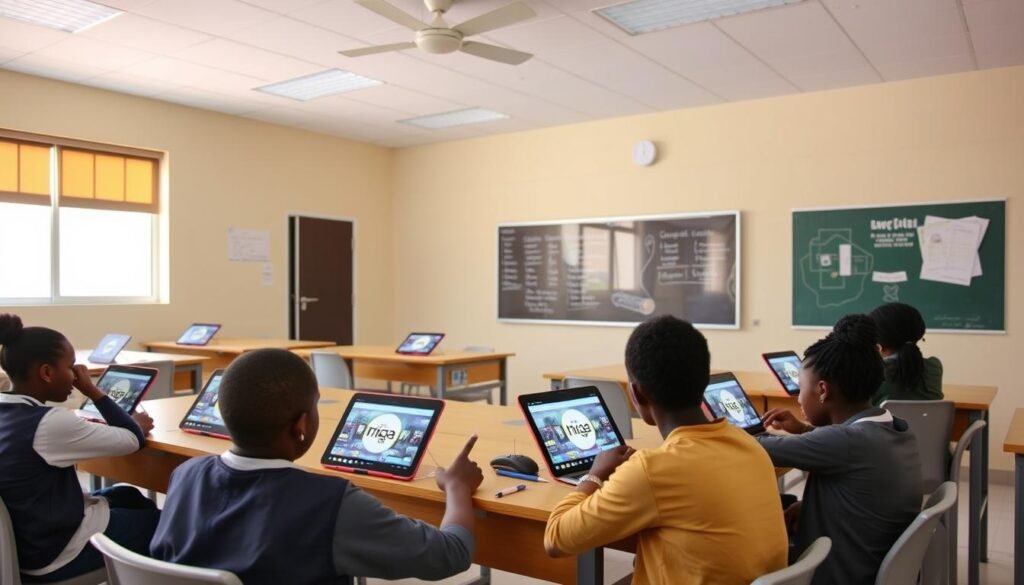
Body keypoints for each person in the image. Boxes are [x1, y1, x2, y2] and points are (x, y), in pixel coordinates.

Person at [151, 348, 483, 584]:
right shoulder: (330, 503)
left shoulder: (185, 475)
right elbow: (451, 555)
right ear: (302, 425)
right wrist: (456, 487)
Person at [544, 315, 787, 584]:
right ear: (704, 381)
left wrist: (594, 474)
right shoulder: (748, 443)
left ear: (637, 394)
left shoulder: (652, 471)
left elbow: (556, 539)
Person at [759, 314, 923, 585]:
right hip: (867, 562)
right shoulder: (891, 425)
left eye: (801, 389)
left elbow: (759, 447)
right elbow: (847, 454)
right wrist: (804, 431)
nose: (798, 398)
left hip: (838, 573)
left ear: (823, 390)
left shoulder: (847, 442)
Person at [0, 314, 158, 583]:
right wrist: (92, 390)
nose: (76, 374)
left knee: (127, 494)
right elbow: (132, 439)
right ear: (47, 372)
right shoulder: (49, 423)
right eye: (71, 366)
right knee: (169, 525)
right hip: (58, 553)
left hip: (29, 538)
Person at [869, 302, 942, 405]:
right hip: (928, 421)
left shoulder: (872, 373)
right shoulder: (934, 367)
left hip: (883, 422)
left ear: (878, 346)